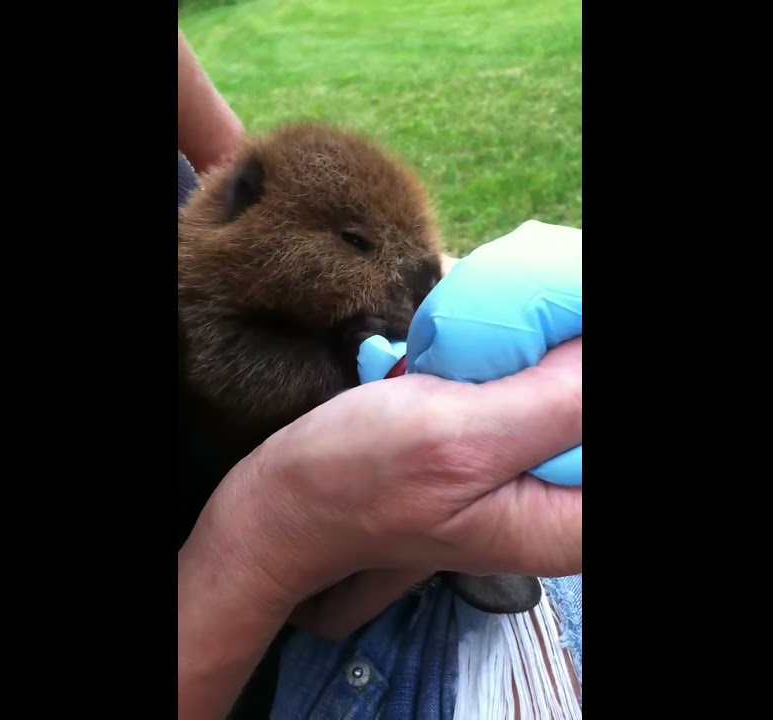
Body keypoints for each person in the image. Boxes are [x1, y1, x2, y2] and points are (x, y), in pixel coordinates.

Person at [177, 28, 583, 718]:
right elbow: (233, 370)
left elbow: (238, 159)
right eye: (357, 247)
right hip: (290, 655)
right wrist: (271, 534)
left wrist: (457, 296)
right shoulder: (211, 316)